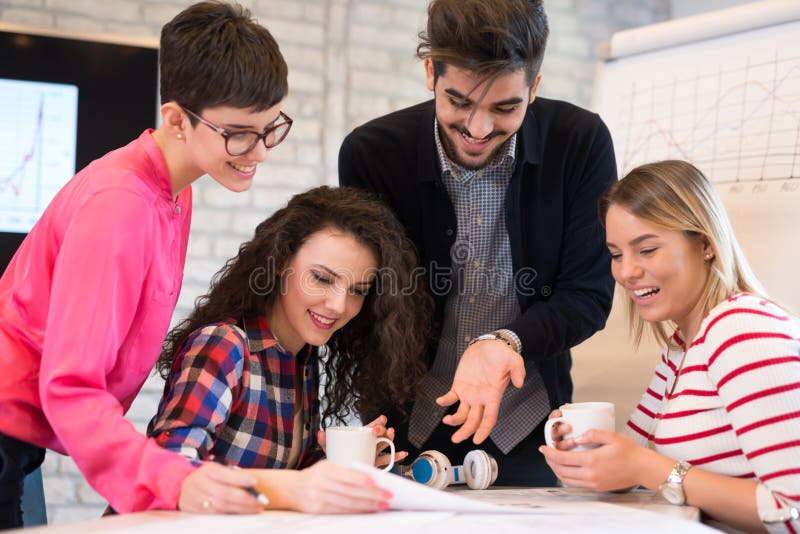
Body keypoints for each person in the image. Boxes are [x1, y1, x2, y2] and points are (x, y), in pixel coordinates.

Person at [0, 2, 296, 527]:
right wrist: (175, 479)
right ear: (177, 119)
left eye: (270, 127)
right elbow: (70, 385)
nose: (259, 152)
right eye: (238, 134)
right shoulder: (121, 205)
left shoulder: (174, 192)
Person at [338, 0, 616, 485]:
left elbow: (588, 295)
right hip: (404, 430)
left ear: (534, 86)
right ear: (430, 72)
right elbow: (362, 301)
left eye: (505, 107)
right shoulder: (373, 154)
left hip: (536, 432)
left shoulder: (580, 143)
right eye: (460, 102)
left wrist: (506, 343)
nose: (478, 129)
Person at [540, 160, 800, 533]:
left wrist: (649, 468)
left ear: (706, 245)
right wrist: (585, 453)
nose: (626, 271)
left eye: (646, 250)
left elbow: (793, 512)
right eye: (616, 254)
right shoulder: (683, 346)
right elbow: (631, 464)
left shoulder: (741, 330)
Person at [147, 186, 432, 513]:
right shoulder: (225, 345)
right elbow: (169, 474)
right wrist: (296, 487)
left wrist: (334, 467)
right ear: (280, 262)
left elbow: (278, 474)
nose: (339, 305)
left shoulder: (301, 358)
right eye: (322, 279)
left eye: (357, 290)